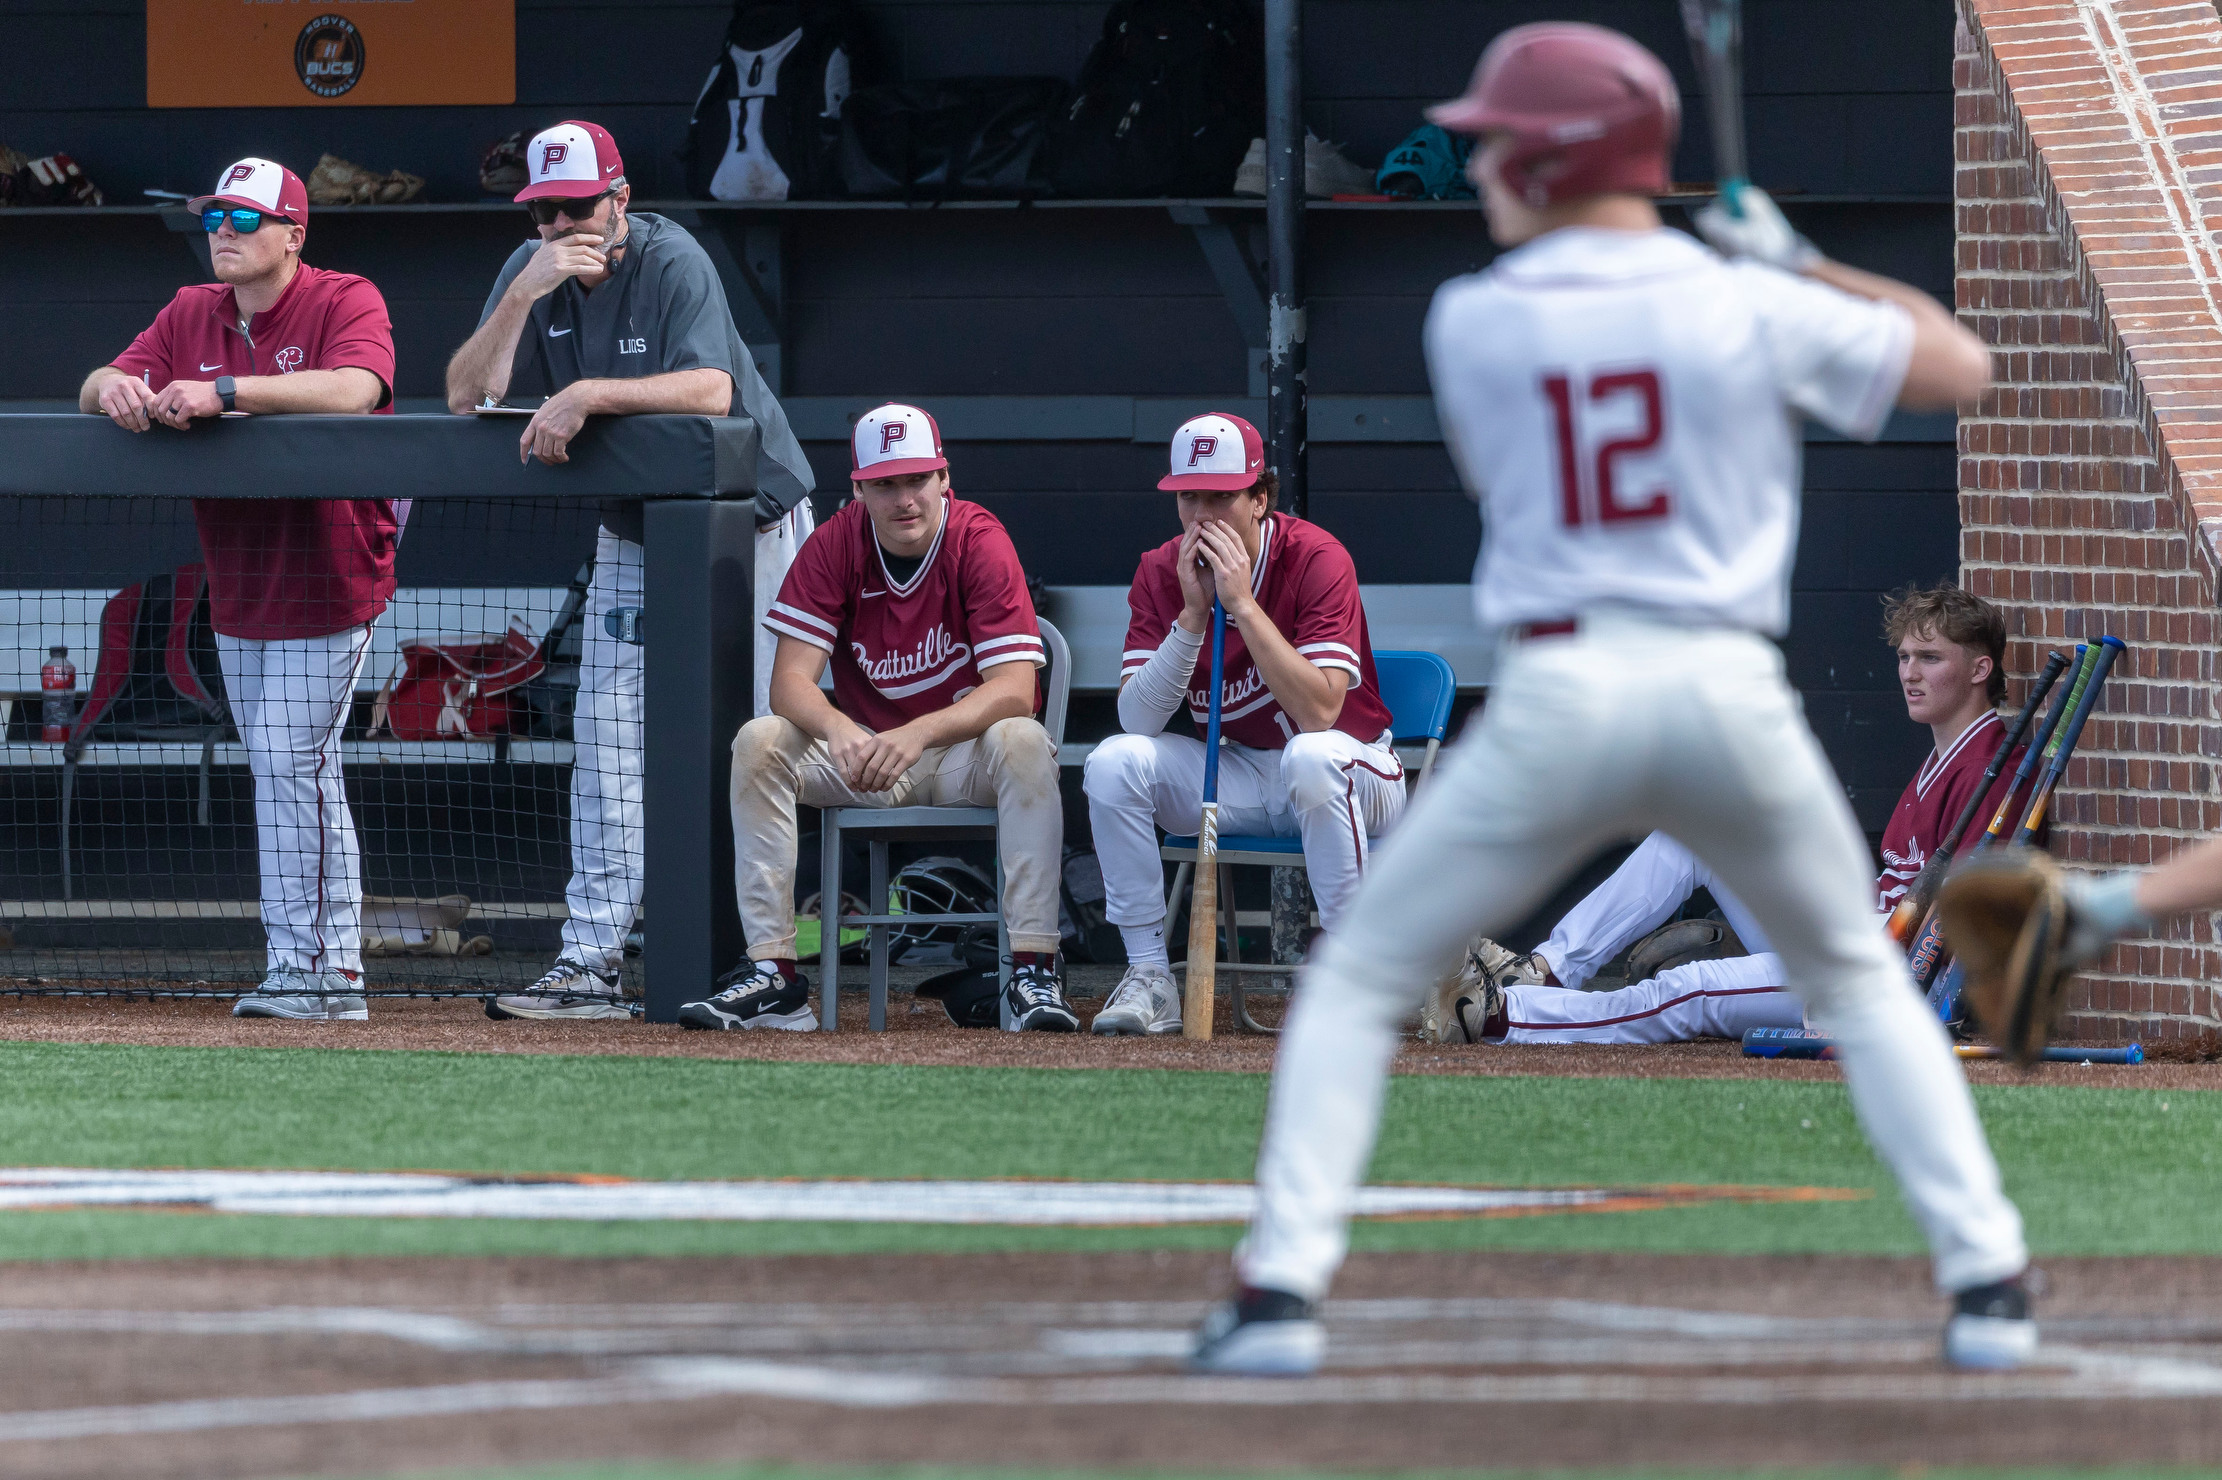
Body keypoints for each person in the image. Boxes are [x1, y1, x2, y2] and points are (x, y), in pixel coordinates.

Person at [1191, 23, 2037, 1377]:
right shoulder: (1738, 300)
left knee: (1358, 978)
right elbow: (1958, 366)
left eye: (1499, 146)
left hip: (1563, 688)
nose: (1482, 169)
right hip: (1723, 690)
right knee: (1860, 988)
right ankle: (1988, 1277)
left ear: (1553, 154)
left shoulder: (1468, 315)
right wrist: (1792, 268)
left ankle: (1281, 1294)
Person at [443, 121, 818, 1022]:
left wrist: (587, 393)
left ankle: (772, 968)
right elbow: (467, 394)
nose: (561, 225)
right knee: (609, 745)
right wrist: (521, 299)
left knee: (762, 742)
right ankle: (590, 966)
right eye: (543, 211)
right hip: (636, 533)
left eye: (577, 207)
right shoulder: (530, 267)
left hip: (750, 524)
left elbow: (710, 391)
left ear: (618, 200)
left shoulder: (672, 257)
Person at [1440, 584, 2034, 1046]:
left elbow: (1965, 925)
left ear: (1979, 671)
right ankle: (1543, 971)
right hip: (1854, 931)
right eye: (1905, 656)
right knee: (1693, 838)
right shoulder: (1941, 758)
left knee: (1689, 987)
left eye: (1929, 658)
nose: (1909, 673)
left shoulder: (1991, 767)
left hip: (1874, 974)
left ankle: (1504, 1016)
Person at [79, 157, 395, 1022]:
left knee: (291, 767)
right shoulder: (191, 309)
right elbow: (97, 382)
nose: (224, 231)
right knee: (288, 771)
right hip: (240, 578)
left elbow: (355, 390)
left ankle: (315, 972)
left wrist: (223, 391)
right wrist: (118, 392)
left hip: (331, 574)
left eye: (245, 220)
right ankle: (318, 973)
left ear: (294, 234)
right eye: (217, 217)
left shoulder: (343, 297)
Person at [678, 403, 1076, 1033]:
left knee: (1024, 738)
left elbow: (1015, 689)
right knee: (759, 741)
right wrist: (840, 730)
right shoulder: (836, 542)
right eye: (885, 483)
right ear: (859, 488)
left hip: (959, 756)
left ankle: (1032, 969)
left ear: (945, 478)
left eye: (917, 479)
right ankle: (776, 977)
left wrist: (914, 733)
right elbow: (789, 683)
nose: (904, 499)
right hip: (868, 758)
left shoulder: (978, 538)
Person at [1084, 413, 1403, 1036]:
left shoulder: (1315, 556)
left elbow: (1320, 713)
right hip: (1244, 774)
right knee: (1113, 762)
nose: (1204, 514)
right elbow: (1137, 718)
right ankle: (1150, 976)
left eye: (1223, 496)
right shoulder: (1162, 571)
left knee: (1311, 757)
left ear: (1260, 499)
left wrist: (1243, 605)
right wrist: (1193, 617)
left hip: (1357, 773)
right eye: (1189, 497)